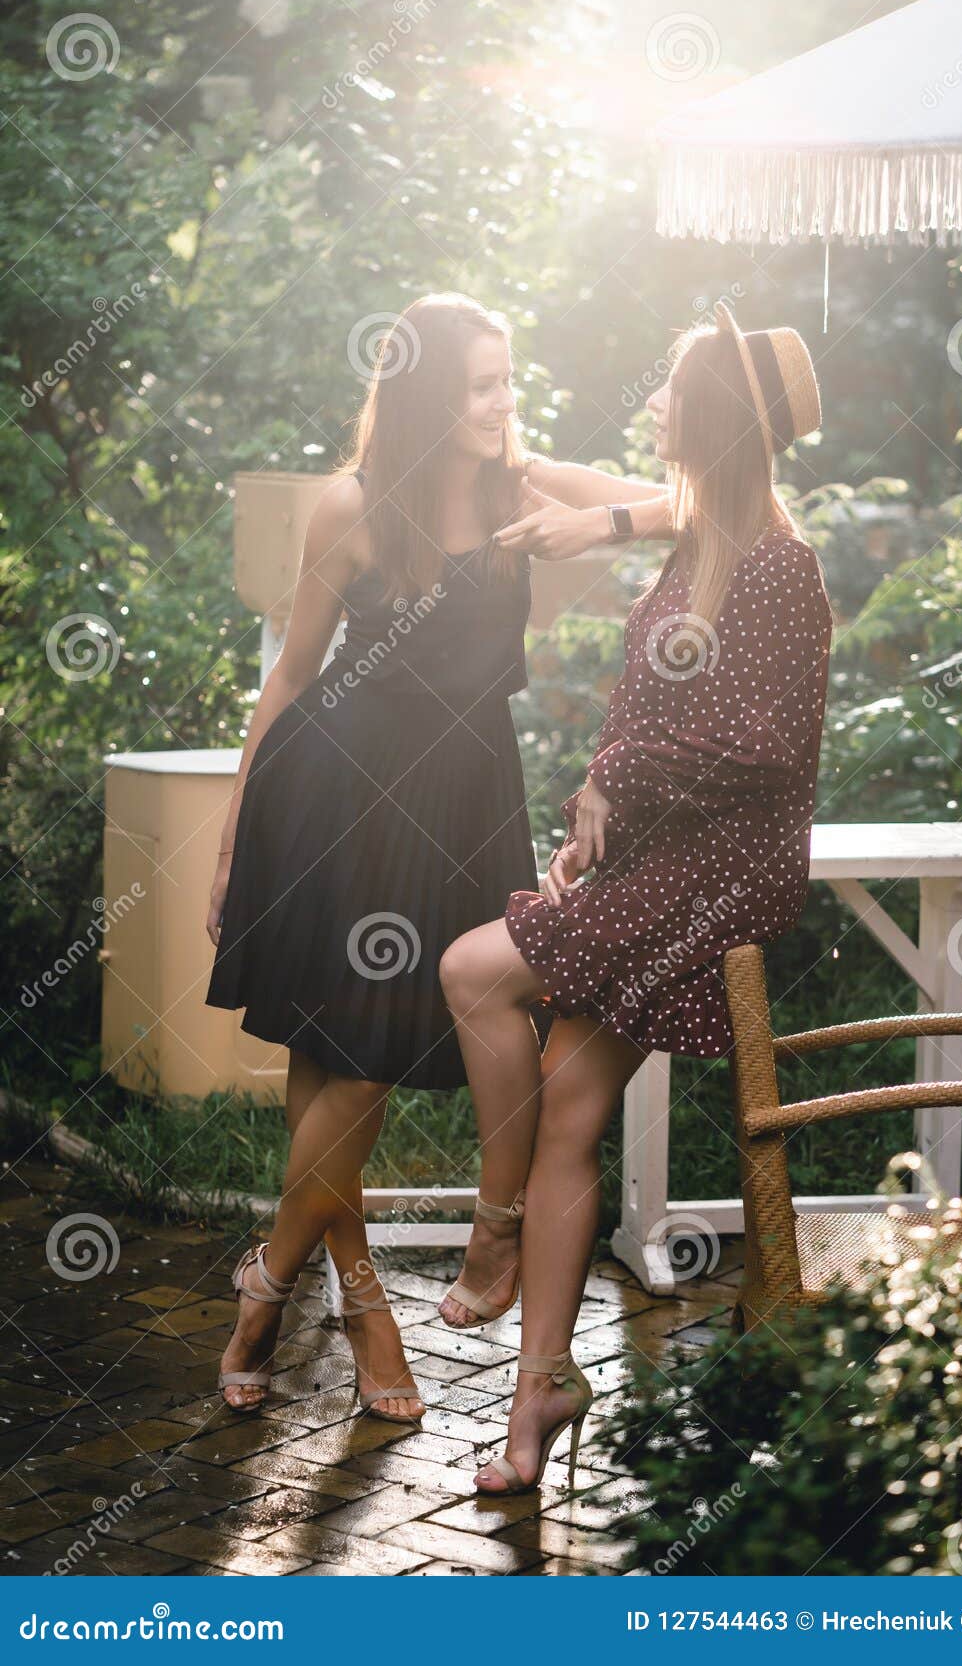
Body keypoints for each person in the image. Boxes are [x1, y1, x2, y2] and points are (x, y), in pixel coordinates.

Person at [204, 292, 665, 1419]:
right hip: (335, 793)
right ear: (422, 392)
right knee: (352, 1057)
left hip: (462, 798)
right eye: (480, 384)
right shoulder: (351, 508)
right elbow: (293, 672)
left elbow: (697, 508)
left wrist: (592, 528)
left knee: (340, 1062)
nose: (503, 401)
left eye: (510, 379)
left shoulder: (520, 480)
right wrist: (231, 830)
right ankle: (352, 1310)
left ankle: (272, 1283)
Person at [437, 300, 835, 1492]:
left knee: (469, 969)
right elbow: (650, 703)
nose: (652, 403)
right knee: (567, 1110)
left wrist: (616, 779)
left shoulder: (774, 563)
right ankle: (538, 1391)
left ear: (707, 417)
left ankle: (494, 1223)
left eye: (668, 388)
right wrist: (600, 804)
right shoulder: (708, 534)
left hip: (719, 876)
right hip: (660, 861)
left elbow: (760, 745)